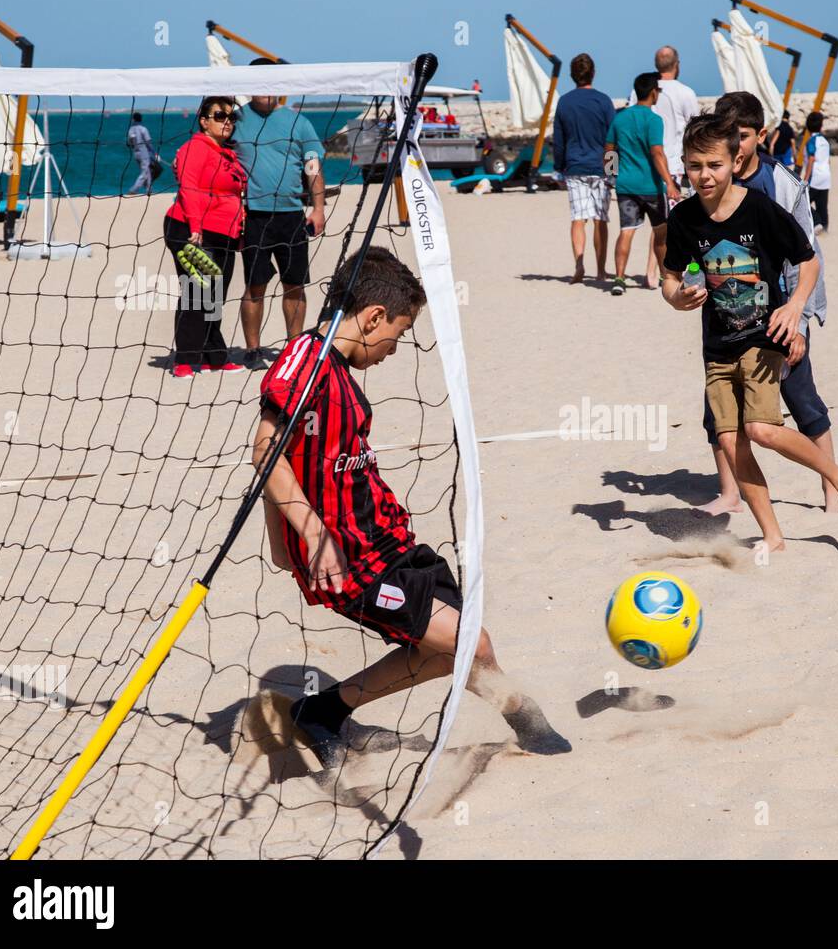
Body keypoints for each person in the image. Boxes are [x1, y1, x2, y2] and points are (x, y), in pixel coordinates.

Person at [256, 247, 571, 766]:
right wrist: (305, 535)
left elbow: (293, 455)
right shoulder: (306, 362)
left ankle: (325, 712)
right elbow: (268, 450)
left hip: (386, 542)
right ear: (374, 315)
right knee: (470, 643)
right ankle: (522, 713)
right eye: (399, 333)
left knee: (454, 647)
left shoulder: (335, 372)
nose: (395, 348)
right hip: (346, 558)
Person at [662, 113, 838, 550]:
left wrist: (795, 310)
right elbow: (670, 278)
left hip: (764, 339)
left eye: (714, 165)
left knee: (761, 430)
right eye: (695, 165)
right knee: (732, 443)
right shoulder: (683, 219)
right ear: (683, 164)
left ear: (734, 163)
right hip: (717, 346)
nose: (704, 175)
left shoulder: (758, 209)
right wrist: (676, 297)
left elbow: (808, 259)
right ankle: (773, 537)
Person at [700, 91, 838, 521]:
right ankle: (729, 493)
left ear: (760, 135)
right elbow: (698, 249)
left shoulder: (780, 183)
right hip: (725, 320)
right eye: (726, 136)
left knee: (803, 403)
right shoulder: (712, 181)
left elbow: (807, 256)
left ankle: (831, 486)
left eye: (742, 137)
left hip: (779, 317)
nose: (734, 145)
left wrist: (800, 320)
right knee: (719, 414)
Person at [233, 58, 327, 369]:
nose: (264, 89)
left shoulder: (299, 123)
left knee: (294, 284)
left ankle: (293, 347)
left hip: (291, 216)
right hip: (253, 216)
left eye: (270, 82)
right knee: (255, 285)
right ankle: (252, 350)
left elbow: (313, 168)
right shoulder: (234, 120)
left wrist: (318, 208)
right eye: (258, 82)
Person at [163, 96, 247, 378]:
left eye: (231, 117)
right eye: (220, 116)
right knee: (196, 293)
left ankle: (214, 356)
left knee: (215, 296)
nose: (227, 122)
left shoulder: (226, 153)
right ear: (204, 120)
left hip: (224, 232)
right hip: (191, 229)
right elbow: (189, 189)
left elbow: (232, 195)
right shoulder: (194, 149)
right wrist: (196, 228)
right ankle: (185, 360)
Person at [606, 72, 680, 296]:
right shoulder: (654, 120)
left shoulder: (619, 118)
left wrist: (612, 176)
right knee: (660, 234)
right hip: (651, 187)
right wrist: (670, 183)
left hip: (626, 185)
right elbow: (657, 152)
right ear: (652, 93)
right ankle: (665, 276)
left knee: (626, 231)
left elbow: (609, 149)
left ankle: (619, 278)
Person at [554, 53, 616, 285]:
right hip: (600, 167)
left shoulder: (564, 102)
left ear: (572, 75)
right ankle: (600, 270)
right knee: (600, 219)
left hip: (574, 166)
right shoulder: (603, 101)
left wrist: (559, 168)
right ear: (593, 73)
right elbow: (613, 138)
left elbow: (558, 140)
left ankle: (579, 265)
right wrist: (613, 171)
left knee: (578, 218)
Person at [643, 46, 700, 288]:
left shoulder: (643, 90)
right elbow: (696, 129)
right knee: (672, 221)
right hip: (674, 165)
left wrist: (614, 169)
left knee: (659, 220)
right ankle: (665, 272)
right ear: (677, 64)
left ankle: (651, 271)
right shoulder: (685, 92)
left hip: (648, 164)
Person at [801, 111, 831, 232]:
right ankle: (825, 228)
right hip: (826, 176)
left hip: (815, 177)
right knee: (822, 205)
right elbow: (828, 160)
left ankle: (817, 222)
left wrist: (806, 179)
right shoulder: (825, 141)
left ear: (807, 127)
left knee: (803, 202)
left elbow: (811, 159)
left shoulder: (811, 141)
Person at [126, 112, 156, 195]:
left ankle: (149, 189)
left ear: (133, 119)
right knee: (145, 172)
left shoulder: (131, 130)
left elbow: (129, 142)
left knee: (147, 170)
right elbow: (148, 142)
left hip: (136, 153)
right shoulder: (143, 129)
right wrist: (154, 152)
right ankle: (133, 189)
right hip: (144, 153)